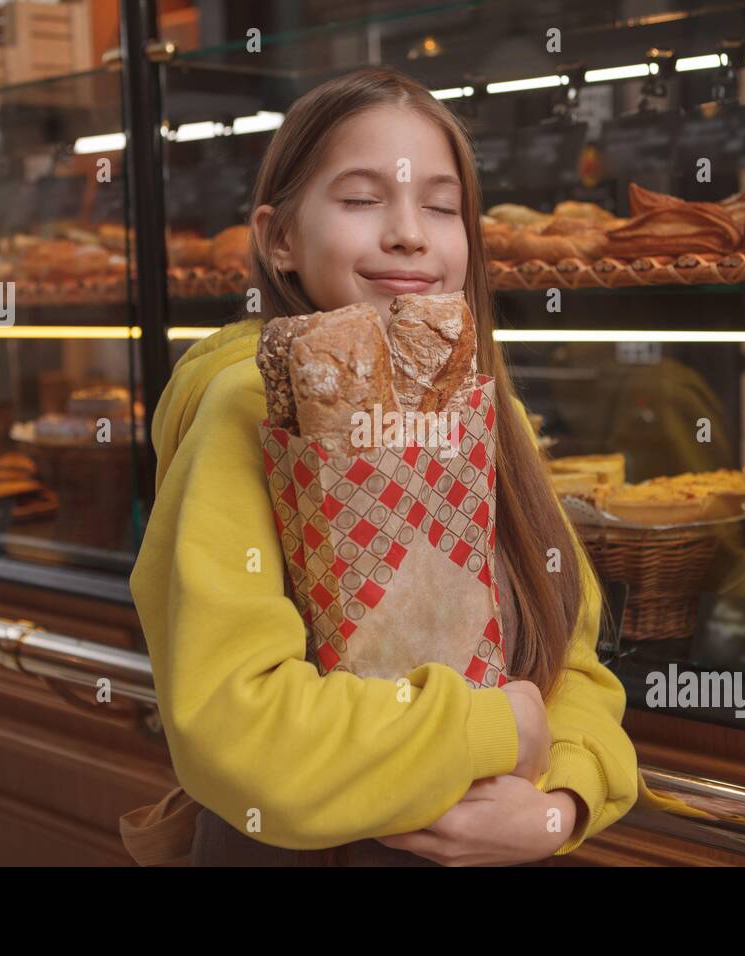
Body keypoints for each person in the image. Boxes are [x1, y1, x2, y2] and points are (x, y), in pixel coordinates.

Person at [129, 65, 687, 867]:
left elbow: (574, 667)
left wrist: (559, 807)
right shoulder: (246, 412)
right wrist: (495, 730)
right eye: (361, 200)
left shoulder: (490, 415)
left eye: (440, 206)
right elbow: (237, 728)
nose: (409, 233)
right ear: (278, 237)